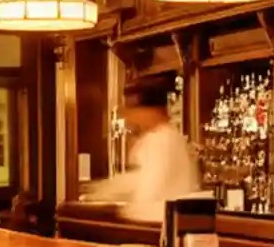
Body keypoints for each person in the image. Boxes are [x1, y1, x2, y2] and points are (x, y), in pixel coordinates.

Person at [83, 77, 201, 222]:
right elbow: (138, 179)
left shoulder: (160, 141)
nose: (131, 117)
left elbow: (149, 193)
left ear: (151, 110)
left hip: (156, 227)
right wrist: (101, 191)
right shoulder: (166, 138)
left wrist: (120, 209)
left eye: (134, 110)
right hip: (163, 224)